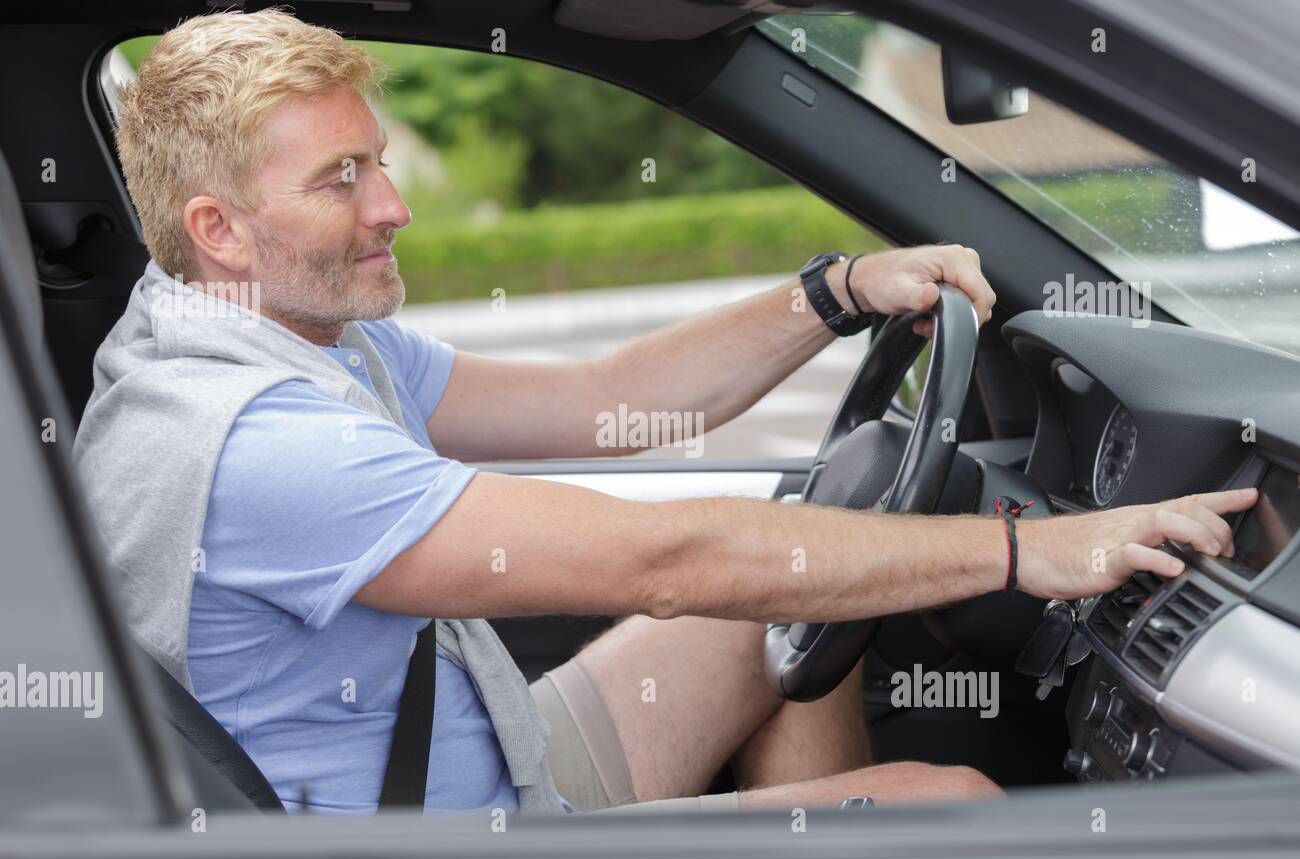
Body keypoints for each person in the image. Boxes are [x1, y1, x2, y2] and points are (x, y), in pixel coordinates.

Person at [74, 8, 1256, 816]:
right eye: (342, 178)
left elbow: (606, 402)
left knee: (778, 608)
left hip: (489, 746)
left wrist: (832, 293)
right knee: (950, 809)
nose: (393, 204)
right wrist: (1029, 546)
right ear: (219, 229)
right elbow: (665, 553)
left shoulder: (272, 329)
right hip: (434, 830)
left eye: (376, 159)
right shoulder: (256, 442)